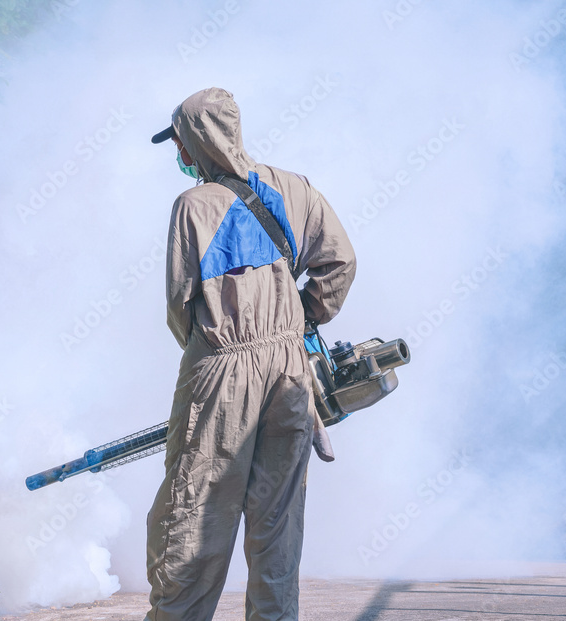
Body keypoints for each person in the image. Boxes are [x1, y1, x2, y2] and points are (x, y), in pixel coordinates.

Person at [146, 87, 356, 621]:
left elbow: (180, 305)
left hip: (221, 366)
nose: (180, 155)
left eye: (180, 143)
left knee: (193, 518)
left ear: (196, 142)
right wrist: (299, 320)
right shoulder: (295, 189)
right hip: (290, 371)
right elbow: (340, 263)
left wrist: (211, 358)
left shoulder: (192, 206)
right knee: (277, 523)